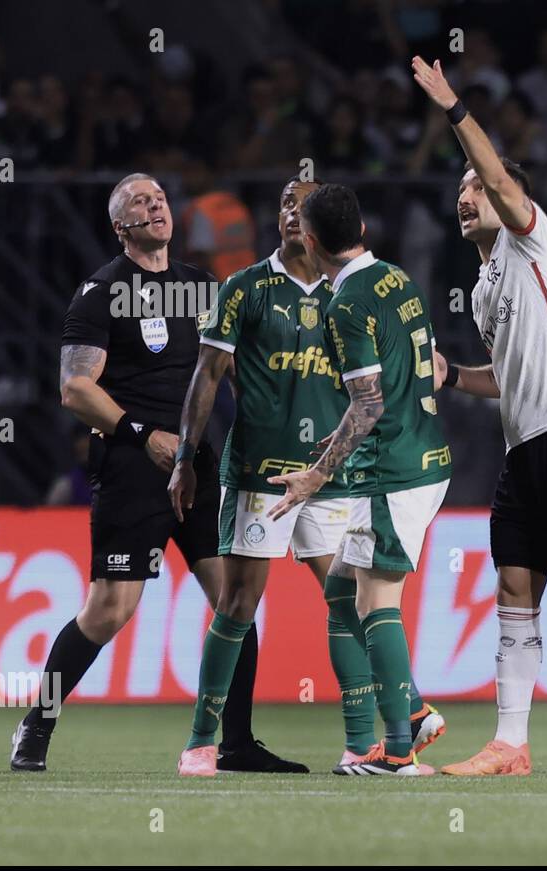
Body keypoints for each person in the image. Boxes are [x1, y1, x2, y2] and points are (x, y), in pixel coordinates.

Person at [12, 173, 300, 773]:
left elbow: (235, 366)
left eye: (162, 198)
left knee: (236, 598)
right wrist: (143, 436)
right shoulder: (102, 291)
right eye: (141, 202)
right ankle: (36, 723)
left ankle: (238, 742)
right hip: (131, 465)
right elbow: (74, 388)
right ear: (121, 227)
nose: (157, 206)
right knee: (110, 608)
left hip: (198, 463)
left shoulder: (201, 286)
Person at [168, 177, 444, 777]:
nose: (294, 214)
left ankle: (362, 743)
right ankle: (200, 742)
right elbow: (207, 376)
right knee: (237, 603)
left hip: (330, 472)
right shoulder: (244, 289)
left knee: (345, 600)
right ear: (278, 219)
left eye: (305, 205)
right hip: (260, 472)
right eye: (286, 204)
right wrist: (187, 456)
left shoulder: (351, 294)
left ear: (318, 226)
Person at [411, 56, 547, 778]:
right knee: (513, 589)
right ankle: (510, 745)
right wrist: (451, 375)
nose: (466, 196)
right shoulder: (482, 288)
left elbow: (503, 180)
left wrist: (452, 107)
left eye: (476, 185)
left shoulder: (529, 240)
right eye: (461, 190)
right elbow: (505, 380)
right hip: (525, 450)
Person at [263, 184, 453, 777]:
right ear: (363, 229)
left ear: (312, 241)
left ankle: (399, 751)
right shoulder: (395, 278)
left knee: (377, 602)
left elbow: (367, 404)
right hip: (415, 458)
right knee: (342, 590)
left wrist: (316, 475)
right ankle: (411, 718)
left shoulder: (345, 303)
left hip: (394, 472)